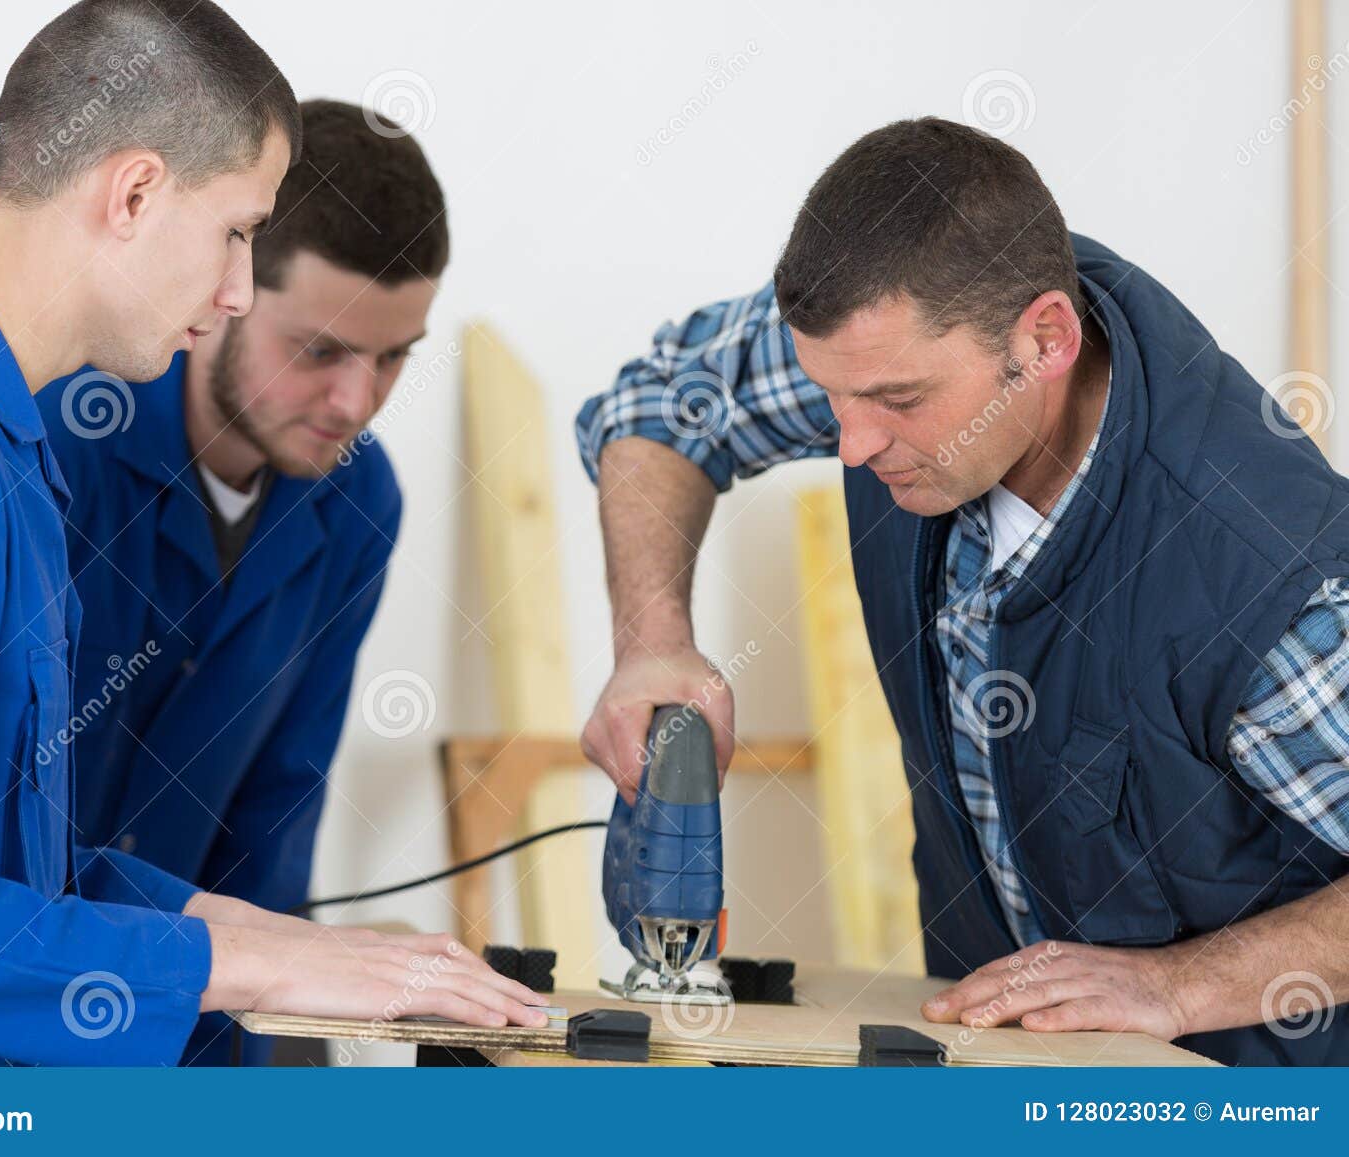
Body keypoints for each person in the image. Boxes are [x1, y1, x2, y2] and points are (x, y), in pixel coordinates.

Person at [0, 0, 540, 1067]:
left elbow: (11, 869)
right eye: (238, 232)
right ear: (133, 192)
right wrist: (248, 966)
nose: (233, 290)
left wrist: (266, 933)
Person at [575, 117, 1349, 1065]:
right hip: (999, 1067)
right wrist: (652, 635)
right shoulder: (901, 340)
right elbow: (658, 399)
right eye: (830, 398)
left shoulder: (1268, 580)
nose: (850, 446)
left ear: (1046, 341)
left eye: (898, 403)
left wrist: (1180, 982)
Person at [35, 98, 446, 1065]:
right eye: (321, 351)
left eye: (394, 357)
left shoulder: (357, 502)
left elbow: (274, 818)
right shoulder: (53, 439)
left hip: (193, 1019)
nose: (356, 401)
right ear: (225, 285)